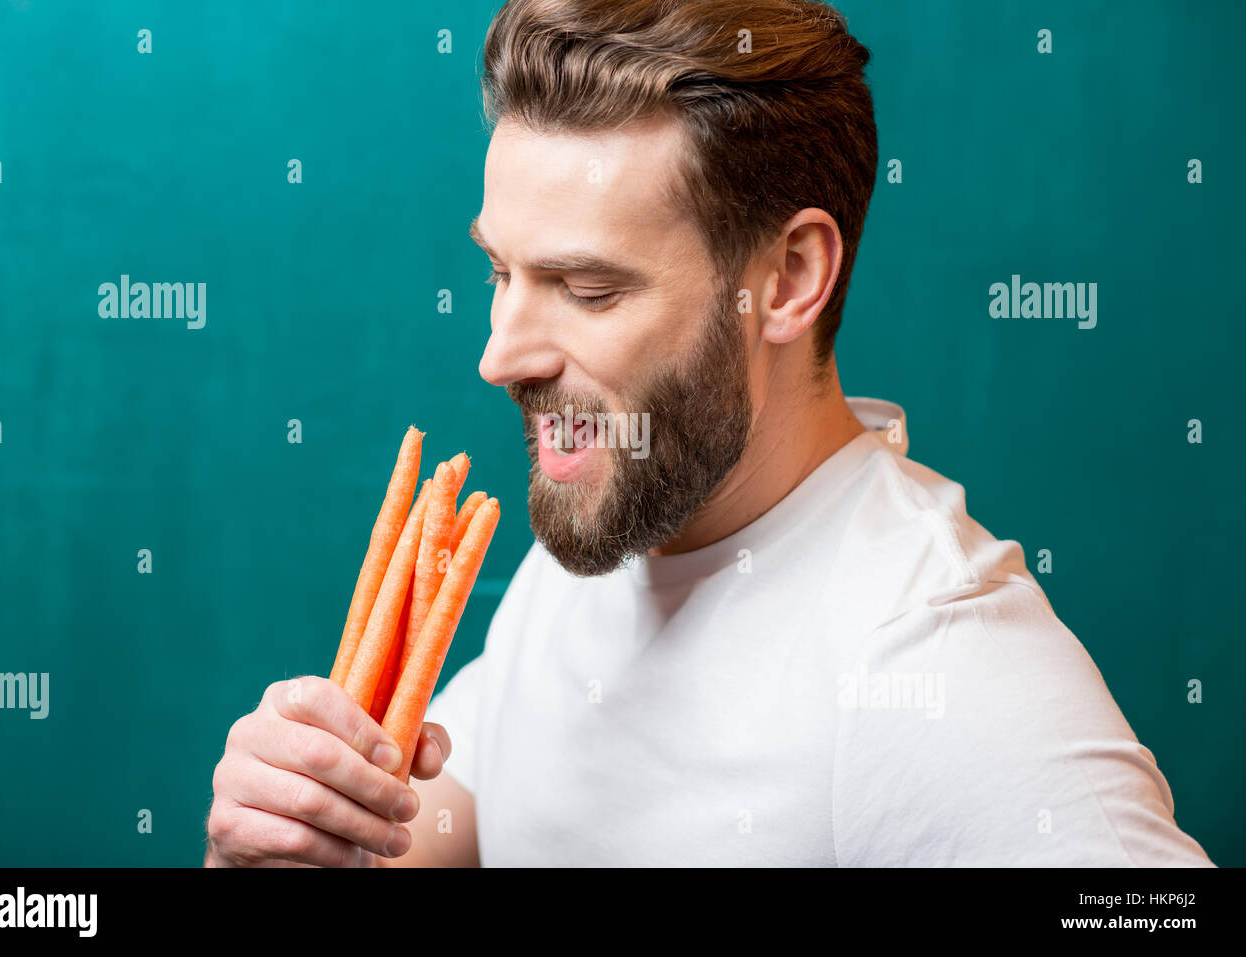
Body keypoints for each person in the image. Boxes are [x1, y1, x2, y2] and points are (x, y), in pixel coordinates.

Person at [204, 0, 1214, 867]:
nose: (500, 356)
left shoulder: (930, 661)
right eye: (499, 275)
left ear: (786, 281)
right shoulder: (605, 539)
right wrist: (284, 830)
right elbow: (442, 831)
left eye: (587, 289)